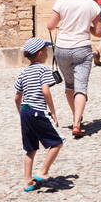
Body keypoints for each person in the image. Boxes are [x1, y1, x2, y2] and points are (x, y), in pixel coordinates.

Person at [47, 0, 101, 138]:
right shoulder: (92, 5)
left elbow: (50, 25)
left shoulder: (62, 1)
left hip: (62, 48)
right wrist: (87, 26)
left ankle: (75, 116)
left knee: (69, 86)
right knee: (81, 87)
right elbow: (99, 32)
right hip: (82, 48)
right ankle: (77, 123)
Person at [13, 37, 63, 192]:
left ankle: (28, 182)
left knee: (30, 148)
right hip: (37, 110)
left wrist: (21, 113)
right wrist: (53, 112)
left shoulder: (23, 73)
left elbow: (17, 97)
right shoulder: (43, 70)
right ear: (41, 53)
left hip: (25, 111)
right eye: (46, 50)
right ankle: (43, 171)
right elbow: (45, 90)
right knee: (57, 142)